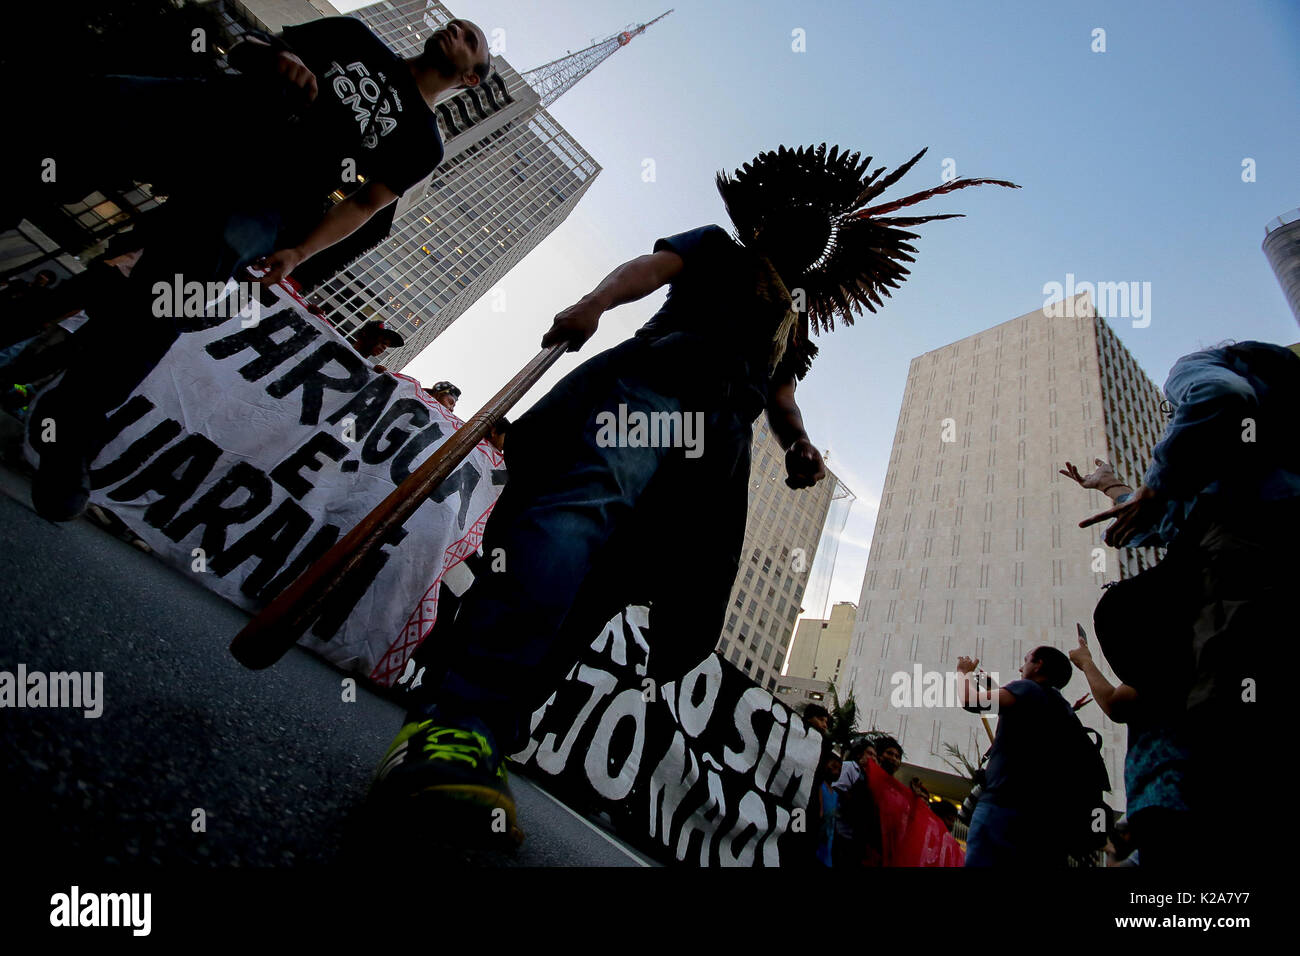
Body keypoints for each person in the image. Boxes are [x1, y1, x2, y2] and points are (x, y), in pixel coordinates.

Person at [366, 145, 1015, 843]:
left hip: (716, 449)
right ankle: (456, 722)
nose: (811, 235)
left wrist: (797, 442)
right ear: (764, 225)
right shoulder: (714, 248)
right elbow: (648, 270)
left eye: (822, 237)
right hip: (654, 390)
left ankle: (484, 732)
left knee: (608, 585)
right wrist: (592, 303)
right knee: (573, 523)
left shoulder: (789, 319)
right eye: (800, 221)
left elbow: (781, 392)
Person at [18, 16, 490, 521]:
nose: (453, 30)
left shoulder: (423, 142)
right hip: (220, 117)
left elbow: (365, 203)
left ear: (471, 79)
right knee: (87, 108)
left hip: (269, 196)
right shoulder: (354, 38)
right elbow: (250, 44)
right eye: (454, 25)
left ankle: (74, 425)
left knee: (176, 291)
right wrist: (276, 59)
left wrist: (301, 251)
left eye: (469, 38)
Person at [1070, 342, 1299, 868]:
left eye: (1173, 415)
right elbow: (1179, 516)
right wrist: (1118, 489)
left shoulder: (1207, 372)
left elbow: (1221, 396)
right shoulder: (1253, 467)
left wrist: (1153, 484)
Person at [956, 647, 1089, 867]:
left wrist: (963, 673)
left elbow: (970, 700)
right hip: (1043, 822)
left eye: (1026, 660)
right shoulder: (1063, 710)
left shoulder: (1027, 690)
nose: (1020, 667)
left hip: (1002, 810)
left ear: (1039, 665)